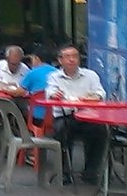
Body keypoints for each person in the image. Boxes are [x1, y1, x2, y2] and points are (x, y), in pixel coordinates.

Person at [46, 45, 107, 185]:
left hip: (88, 115)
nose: (72, 60)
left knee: (100, 131)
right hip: (65, 115)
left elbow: (100, 93)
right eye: (68, 57)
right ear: (60, 60)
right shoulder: (54, 77)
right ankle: (65, 172)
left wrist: (93, 97)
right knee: (61, 130)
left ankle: (91, 172)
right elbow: (50, 93)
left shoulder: (90, 75)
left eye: (75, 56)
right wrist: (55, 95)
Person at [20, 44, 59, 124]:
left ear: (37, 58)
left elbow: (20, 91)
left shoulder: (32, 73)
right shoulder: (58, 72)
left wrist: (6, 89)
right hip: (55, 115)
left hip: (36, 116)